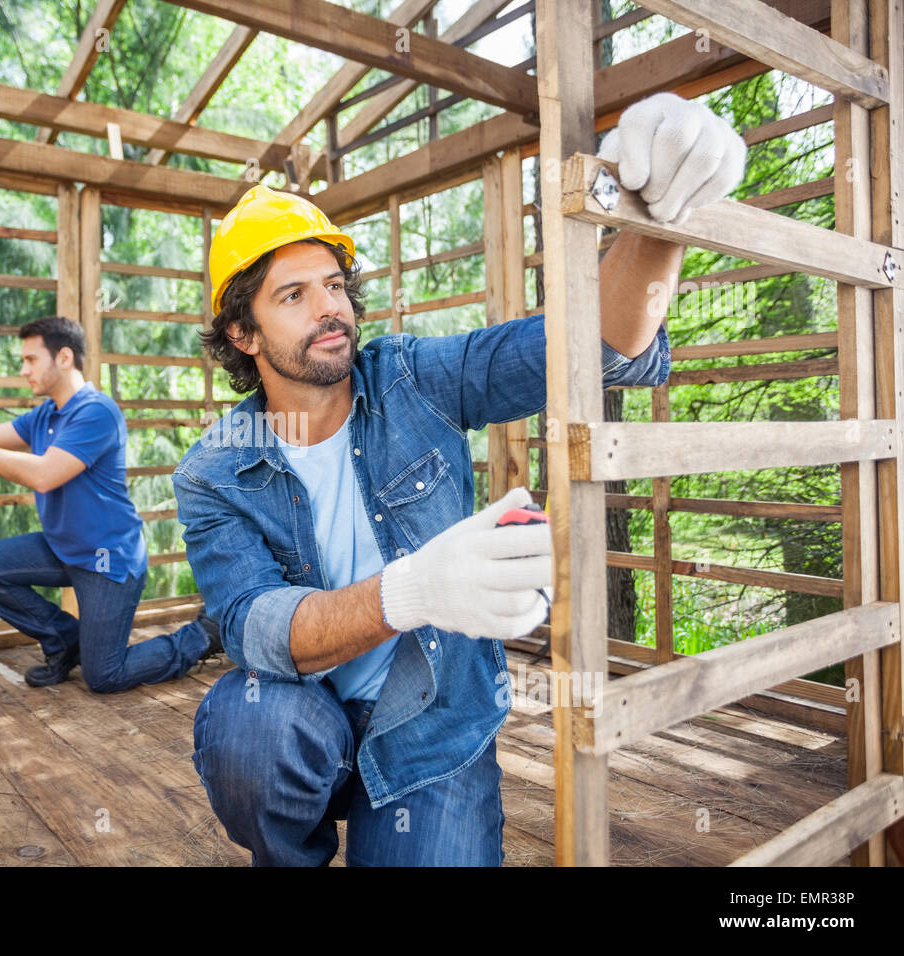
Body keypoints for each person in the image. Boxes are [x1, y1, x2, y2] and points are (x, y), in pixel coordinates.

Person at [171, 92, 747, 865]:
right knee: (246, 726)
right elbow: (252, 626)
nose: (331, 307)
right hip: (305, 719)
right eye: (294, 295)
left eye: (334, 283)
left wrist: (655, 223)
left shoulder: (412, 376)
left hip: (432, 718)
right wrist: (410, 592)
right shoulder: (213, 470)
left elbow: (588, 346)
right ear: (241, 334)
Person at [0, 315, 222, 692]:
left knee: (105, 676)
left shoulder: (96, 411)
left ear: (63, 358)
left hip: (108, 559)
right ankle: (65, 641)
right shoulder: (47, 413)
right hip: (64, 548)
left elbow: (46, 473)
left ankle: (206, 634)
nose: (23, 369)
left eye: (30, 359)